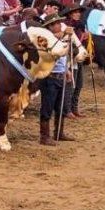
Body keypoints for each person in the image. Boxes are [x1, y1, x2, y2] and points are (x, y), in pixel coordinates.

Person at [37, 14, 76, 146]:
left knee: (60, 107)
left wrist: (67, 70)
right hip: (49, 77)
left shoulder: (62, 37)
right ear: (50, 26)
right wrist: (64, 33)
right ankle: (44, 136)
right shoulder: (43, 39)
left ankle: (59, 132)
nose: (60, 25)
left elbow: (63, 57)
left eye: (60, 23)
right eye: (57, 23)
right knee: (47, 107)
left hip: (60, 74)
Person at [63, 3, 89, 119]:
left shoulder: (80, 26)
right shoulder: (66, 26)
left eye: (79, 12)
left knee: (79, 84)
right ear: (70, 14)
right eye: (75, 12)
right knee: (71, 84)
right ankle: (67, 109)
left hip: (78, 57)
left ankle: (74, 108)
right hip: (70, 58)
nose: (78, 14)